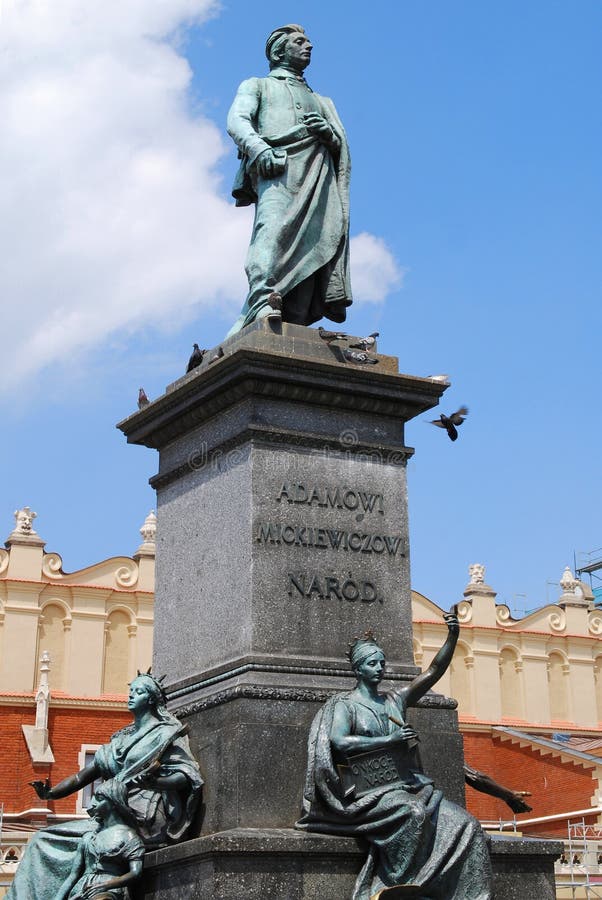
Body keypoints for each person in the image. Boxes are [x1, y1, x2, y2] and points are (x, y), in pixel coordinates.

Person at [296, 619, 493, 900]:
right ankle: (390, 888)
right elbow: (339, 741)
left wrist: (452, 636)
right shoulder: (345, 705)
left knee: (467, 824)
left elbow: (433, 671)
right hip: (366, 790)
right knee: (413, 813)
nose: (379, 668)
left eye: (382, 663)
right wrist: (390, 740)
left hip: (404, 784)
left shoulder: (394, 700)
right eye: (372, 664)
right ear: (357, 669)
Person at [8, 672, 203, 900]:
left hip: (143, 816)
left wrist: (155, 782)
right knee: (41, 839)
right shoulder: (121, 739)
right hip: (110, 812)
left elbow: (185, 775)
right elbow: (82, 777)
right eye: (131, 691)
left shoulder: (166, 733)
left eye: (139, 692)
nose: (131, 696)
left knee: (47, 841)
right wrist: (51, 793)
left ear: (151, 699)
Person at [225, 24, 352, 336]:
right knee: (272, 232)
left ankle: (293, 316)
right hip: (279, 169)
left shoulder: (323, 101)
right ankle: (262, 300)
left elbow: (339, 145)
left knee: (320, 236)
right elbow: (237, 120)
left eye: (308, 41)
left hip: (318, 174)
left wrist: (328, 134)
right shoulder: (257, 85)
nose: (309, 46)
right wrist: (259, 149)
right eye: (299, 41)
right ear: (278, 51)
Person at [56, 780, 144, 900]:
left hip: (109, 891)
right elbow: (73, 876)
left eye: (100, 799)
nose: (93, 804)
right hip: (81, 890)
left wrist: (105, 886)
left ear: (114, 802)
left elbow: (136, 872)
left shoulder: (129, 836)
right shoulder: (88, 837)